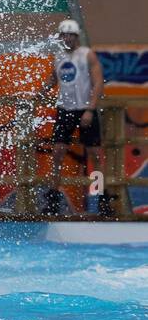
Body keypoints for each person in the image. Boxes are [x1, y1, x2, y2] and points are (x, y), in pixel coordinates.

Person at [42, 18, 108, 215]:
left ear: (76, 37)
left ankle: (101, 197)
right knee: (57, 154)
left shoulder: (87, 55)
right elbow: (53, 78)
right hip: (65, 109)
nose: (67, 39)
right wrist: (39, 94)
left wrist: (90, 109)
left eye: (70, 35)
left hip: (84, 109)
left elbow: (98, 83)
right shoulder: (59, 56)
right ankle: (53, 198)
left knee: (95, 155)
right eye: (64, 35)